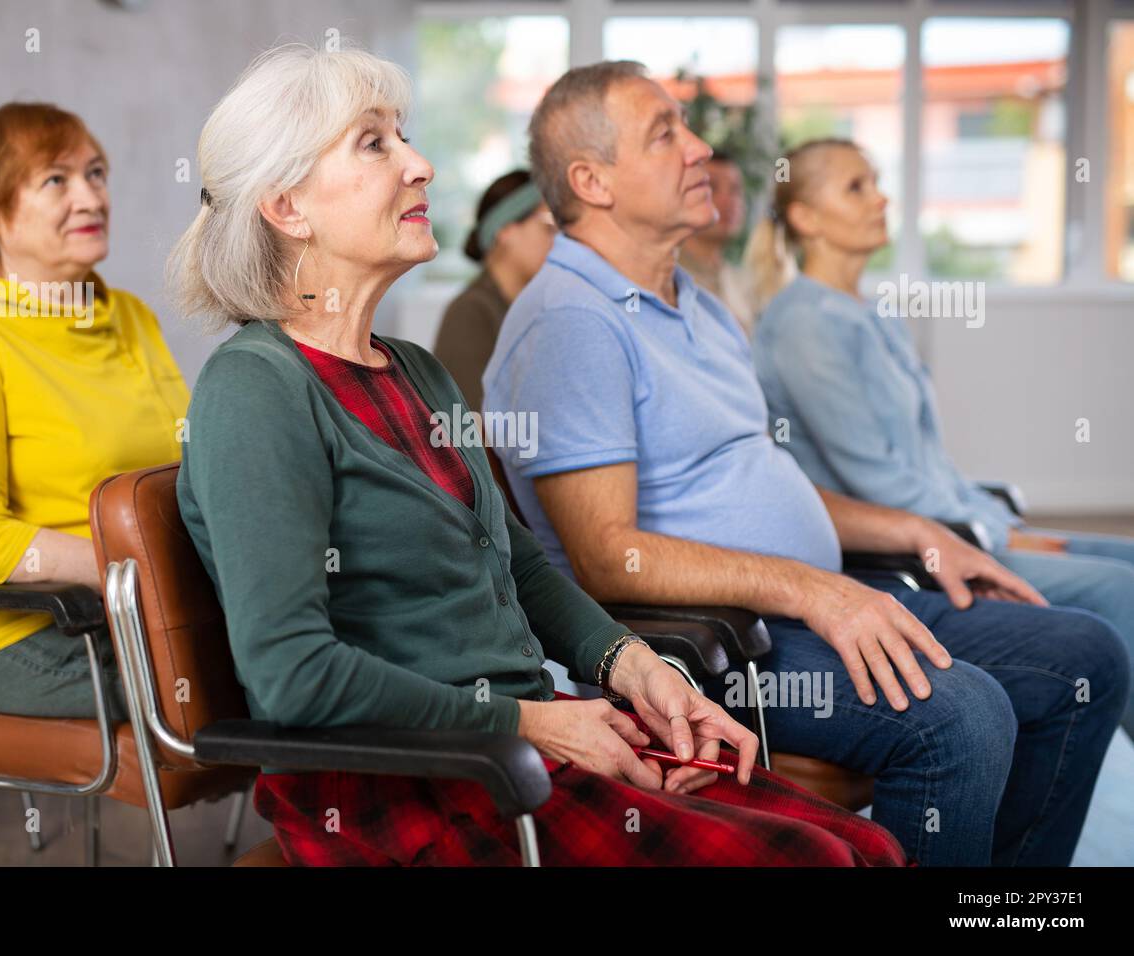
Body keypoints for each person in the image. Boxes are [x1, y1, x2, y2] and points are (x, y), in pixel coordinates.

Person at [169, 40, 910, 867]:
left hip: (523, 745)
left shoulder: (416, 372)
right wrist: (531, 722)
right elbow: (294, 678)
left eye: (403, 137)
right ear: (287, 207)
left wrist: (637, 668)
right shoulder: (256, 392)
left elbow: (521, 570)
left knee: (867, 848)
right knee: (822, 862)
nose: (420, 166)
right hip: (416, 783)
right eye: (375, 144)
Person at [482, 61, 1129, 866]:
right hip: (705, 647)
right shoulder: (569, 323)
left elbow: (759, 480)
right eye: (665, 133)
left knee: (1085, 655)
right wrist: (815, 589)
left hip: (807, 607)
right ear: (593, 180)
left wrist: (918, 531)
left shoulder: (697, 303)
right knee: (963, 716)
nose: (697, 150)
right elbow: (608, 556)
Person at [749, 138, 1134, 740]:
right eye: (856, 187)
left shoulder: (871, 314)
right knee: (1122, 588)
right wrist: (1004, 537)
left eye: (876, 181)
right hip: (899, 556)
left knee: (1124, 558)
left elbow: (933, 467)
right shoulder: (806, 324)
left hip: (951, 529)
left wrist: (1011, 528)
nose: (881, 198)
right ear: (805, 218)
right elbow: (878, 481)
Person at [0, 103, 190, 720]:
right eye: (56, 179)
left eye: (96, 173)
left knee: (318, 643)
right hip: (25, 632)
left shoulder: (130, 315)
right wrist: (147, 569)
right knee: (244, 681)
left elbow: (187, 466)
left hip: (148, 608)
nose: (90, 197)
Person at [433, 170, 557, 409]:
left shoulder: (537, 308)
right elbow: (471, 430)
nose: (560, 240)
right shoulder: (470, 313)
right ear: (505, 230)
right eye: (549, 227)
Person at [677, 150, 756, 336]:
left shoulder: (743, 280)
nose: (728, 201)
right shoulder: (667, 281)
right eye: (711, 187)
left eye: (735, 190)